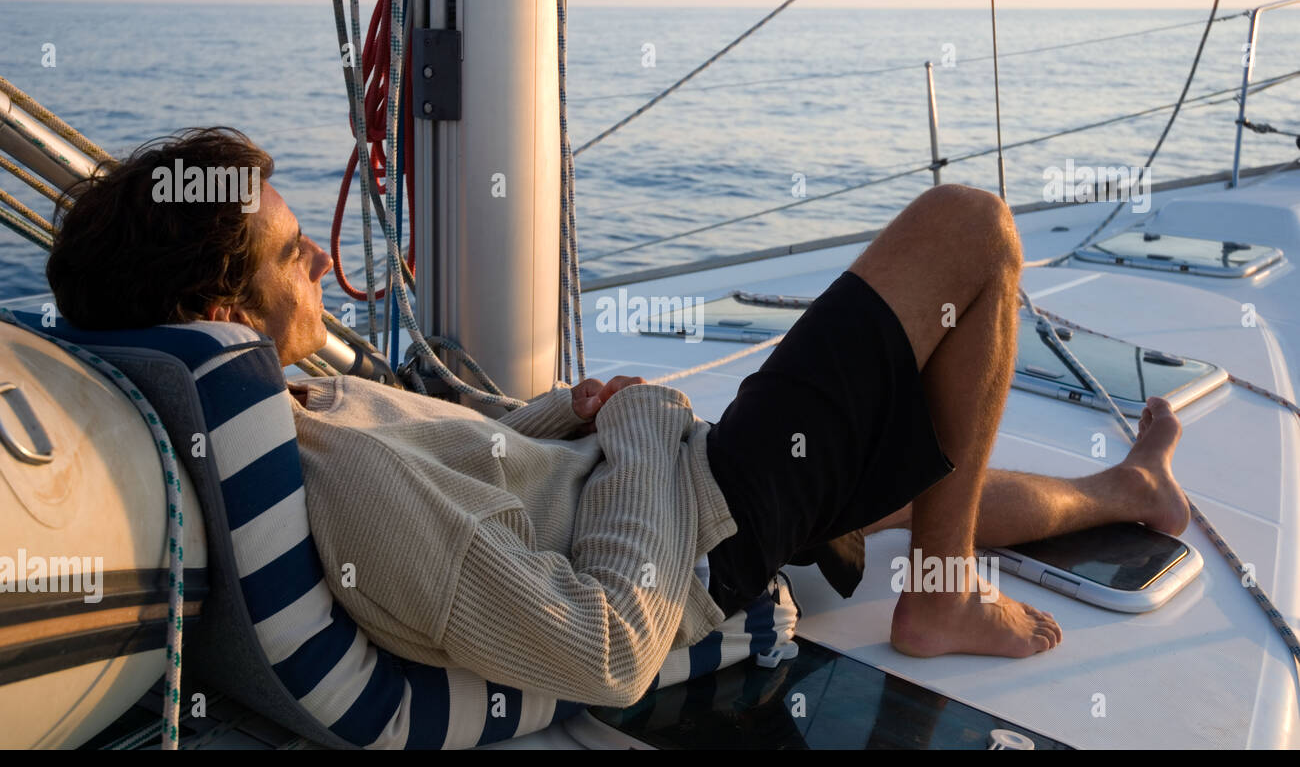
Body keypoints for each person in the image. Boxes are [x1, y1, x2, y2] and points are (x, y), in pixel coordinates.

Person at [46, 128, 1190, 707]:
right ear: (214, 308)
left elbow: (479, 469)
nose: (322, 264)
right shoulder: (341, 485)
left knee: (913, 483)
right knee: (972, 229)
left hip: (662, 485)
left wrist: (566, 411)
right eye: (293, 254)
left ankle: (1123, 491)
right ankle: (940, 604)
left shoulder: (290, 396)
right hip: (701, 525)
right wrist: (641, 424)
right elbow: (607, 645)